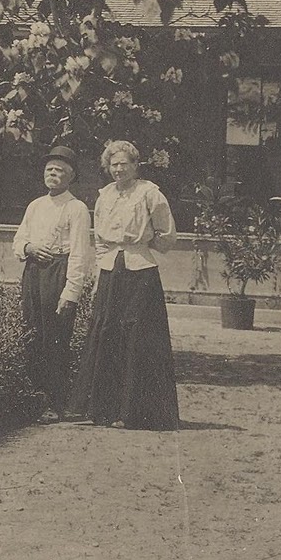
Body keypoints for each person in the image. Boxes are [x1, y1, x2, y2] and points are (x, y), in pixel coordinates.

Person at [67, 140, 180, 431]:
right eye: (113, 164)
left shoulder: (149, 193)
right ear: (108, 168)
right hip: (110, 272)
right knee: (107, 335)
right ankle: (104, 408)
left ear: (135, 165)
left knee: (137, 336)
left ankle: (136, 412)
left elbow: (167, 236)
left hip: (140, 272)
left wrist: (141, 244)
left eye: (124, 164)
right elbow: (100, 240)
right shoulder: (104, 196)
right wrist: (101, 270)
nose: (118, 169)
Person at [11, 145, 94, 423]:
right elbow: (18, 240)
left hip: (58, 273)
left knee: (56, 338)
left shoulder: (77, 208)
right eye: (49, 170)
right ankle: (35, 398)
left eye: (60, 171)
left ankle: (57, 403)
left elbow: (81, 253)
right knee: (32, 335)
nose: (53, 175)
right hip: (34, 273)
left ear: (71, 177)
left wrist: (71, 293)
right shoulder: (35, 205)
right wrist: (29, 247)